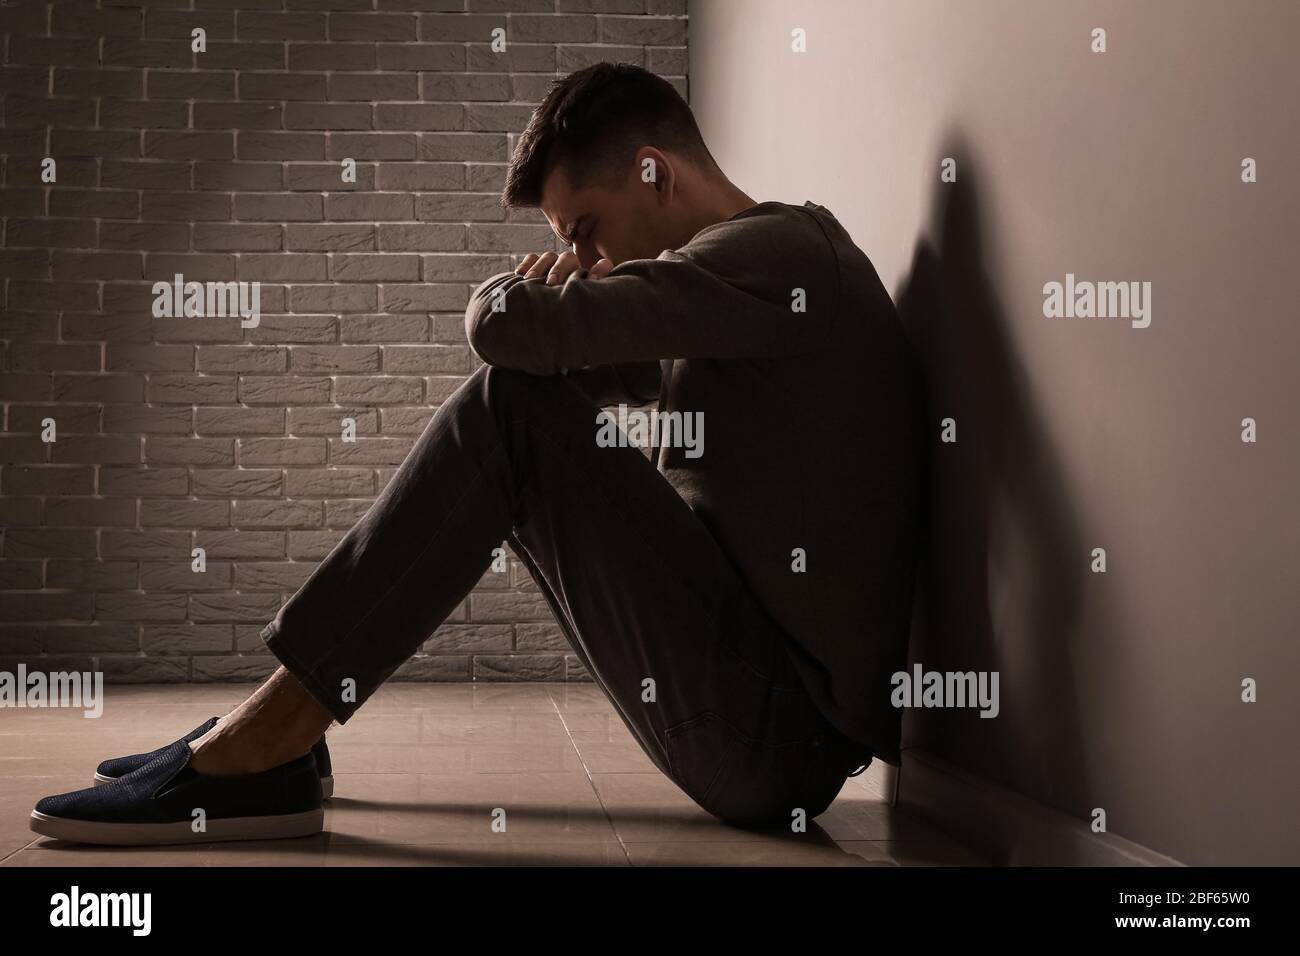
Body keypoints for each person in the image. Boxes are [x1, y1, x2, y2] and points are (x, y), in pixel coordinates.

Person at [29, 62, 925, 846]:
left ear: (655, 173)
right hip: (758, 722)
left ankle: (276, 734)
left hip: (777, 742)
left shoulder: (779, 256)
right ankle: (283, 722)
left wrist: (517, 299)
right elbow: (590, 372)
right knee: (523, 411)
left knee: (511, 408)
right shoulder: (745, 284)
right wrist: (561, 339)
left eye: (583, 230)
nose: (582, 259)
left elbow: (505, 333)